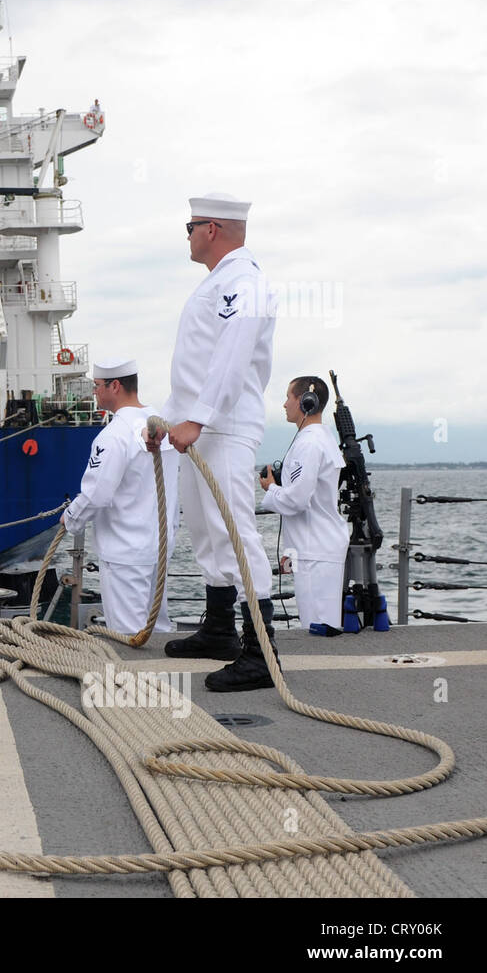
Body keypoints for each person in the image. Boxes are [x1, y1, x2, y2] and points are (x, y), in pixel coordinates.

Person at [154, 193, 278, 693]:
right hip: (199, 428)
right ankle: (221, 628)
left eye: (189, 226)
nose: (186, 236)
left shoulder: (242, 283)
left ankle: (261, 654)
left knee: (235, 533)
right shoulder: (219, 283)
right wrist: (169, 420)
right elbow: (195, 366)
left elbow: (231, 356)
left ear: (211, 229)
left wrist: (199, 420)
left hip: (223, 427)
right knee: (207, 532)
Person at [60, 360, 178, 636]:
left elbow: (97, 494)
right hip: (159, 548)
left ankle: (135, 681)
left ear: (115, 386)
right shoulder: (164, 429)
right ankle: (164, 680)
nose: (94, 392)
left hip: (125, 553)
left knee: (129, 636)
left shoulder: (113, 435)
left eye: (97, 386)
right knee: (158, 632)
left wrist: (71, 518)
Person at [260, 376, 349, 633]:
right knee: (322, 627)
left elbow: (298, 499)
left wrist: (271, 488)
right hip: (315, 547)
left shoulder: (308, 443)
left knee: (319, 629)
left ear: (305, 401)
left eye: (289, 397)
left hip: (314, 551)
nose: (284, 404)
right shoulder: (322, 438)